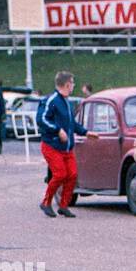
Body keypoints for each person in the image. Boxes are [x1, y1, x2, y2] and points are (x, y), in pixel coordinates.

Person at [37, 71, 96, 218]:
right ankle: (46, 202)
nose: (73, 86)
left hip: (67, 148)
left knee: (72, 175)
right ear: (67, 84)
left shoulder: (66, 102)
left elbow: (72, 124)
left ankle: (64, 205)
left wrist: (85, 132)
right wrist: (57, 131)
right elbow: (41, 119)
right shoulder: (51, 100)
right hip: (52, 146)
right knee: (60, 174)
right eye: (72, 83)